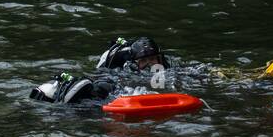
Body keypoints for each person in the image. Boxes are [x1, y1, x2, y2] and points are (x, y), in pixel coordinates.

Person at [31, 36, 171, 105]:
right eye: (144, 61)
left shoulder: (170, 73)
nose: (150, 65)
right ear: (134, 64)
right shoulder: (123, 75)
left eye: (153, 59)